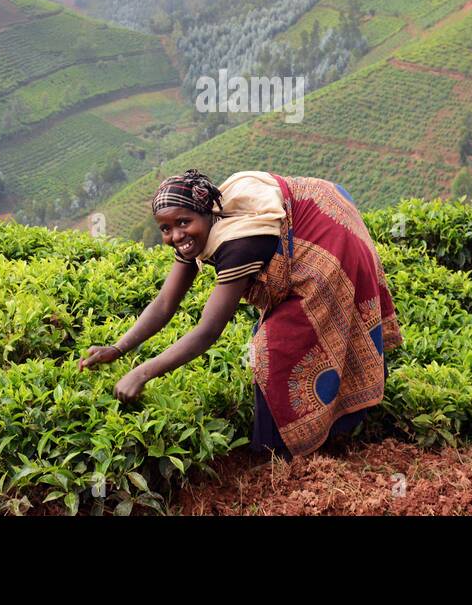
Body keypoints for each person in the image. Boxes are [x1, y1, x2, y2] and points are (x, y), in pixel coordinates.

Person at [78, 168, 403, 459]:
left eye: (183, 223)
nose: (176, 236)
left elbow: (209, 329)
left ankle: (285, 451)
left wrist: (142, 373)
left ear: (207, 214)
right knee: (274, 345)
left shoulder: (237, 243)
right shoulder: (197, 236)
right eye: (165, 229)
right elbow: (165, 303)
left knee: (273, 349)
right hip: (317, 214)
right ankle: (288, 443)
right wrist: (118, 349)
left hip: (330, 240)